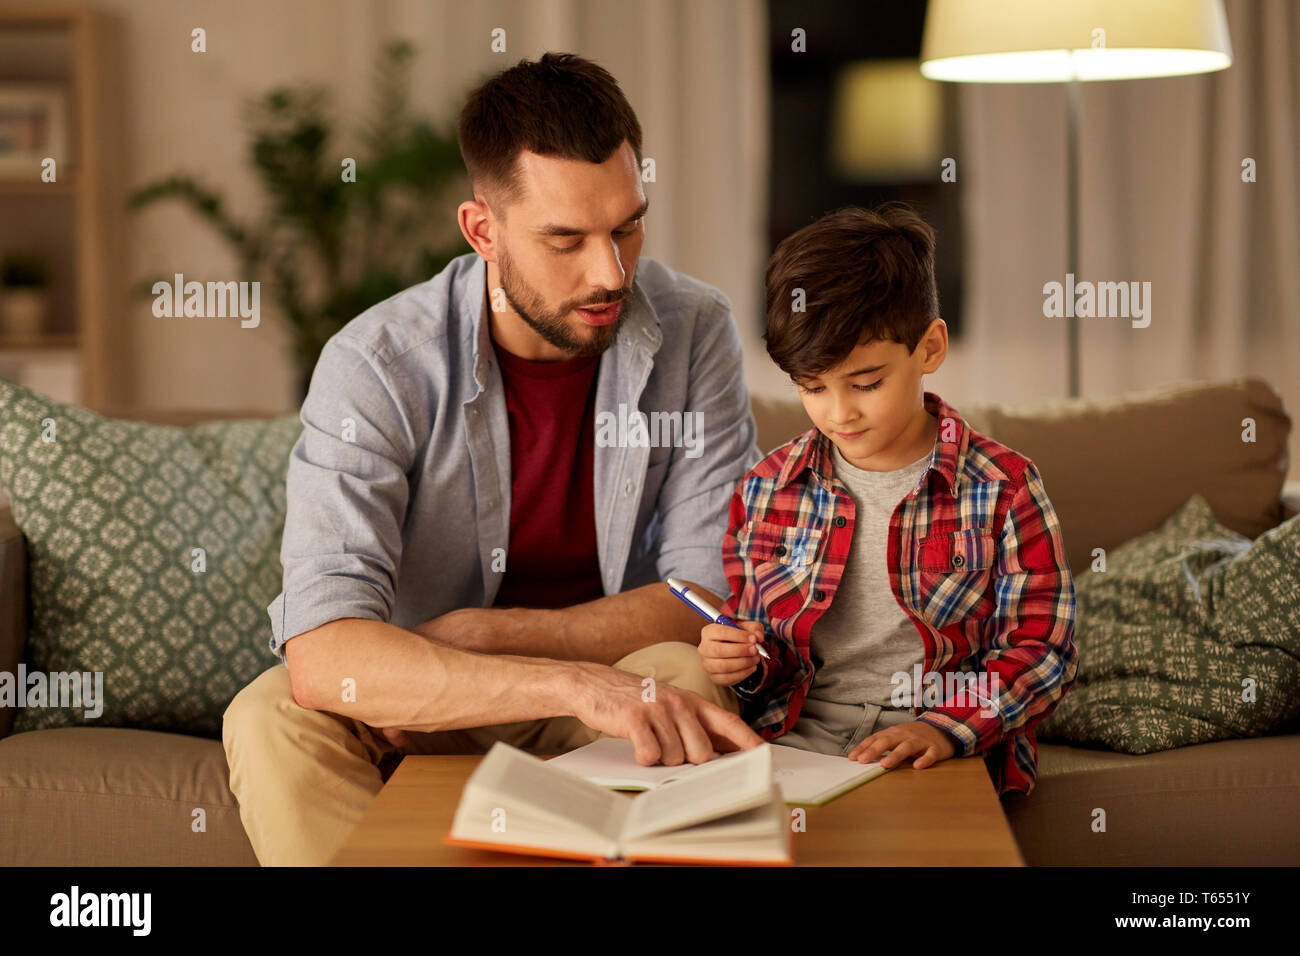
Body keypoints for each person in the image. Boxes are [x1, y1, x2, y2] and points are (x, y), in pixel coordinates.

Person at [223, 52, 763, 866]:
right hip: (425, 693)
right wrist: (557, 676)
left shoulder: (695, 331)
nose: (609, 272)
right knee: (268, 716)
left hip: (606, 682)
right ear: (483, 230)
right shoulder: (374, 364)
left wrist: (494, 633)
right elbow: (328, 650)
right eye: (566, 239)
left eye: (626, 227)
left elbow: (705, 597)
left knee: (680, 673)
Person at [697, 203, 1078, 796]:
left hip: (946, 742)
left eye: (866, 383)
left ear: (929, 348)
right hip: (797, 740)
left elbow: (1041, 651)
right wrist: (741, 661)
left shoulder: (1004, 486)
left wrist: (947, 728)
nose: (838, 412)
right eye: (812, 388)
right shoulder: (768, 490)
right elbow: (768, 649)